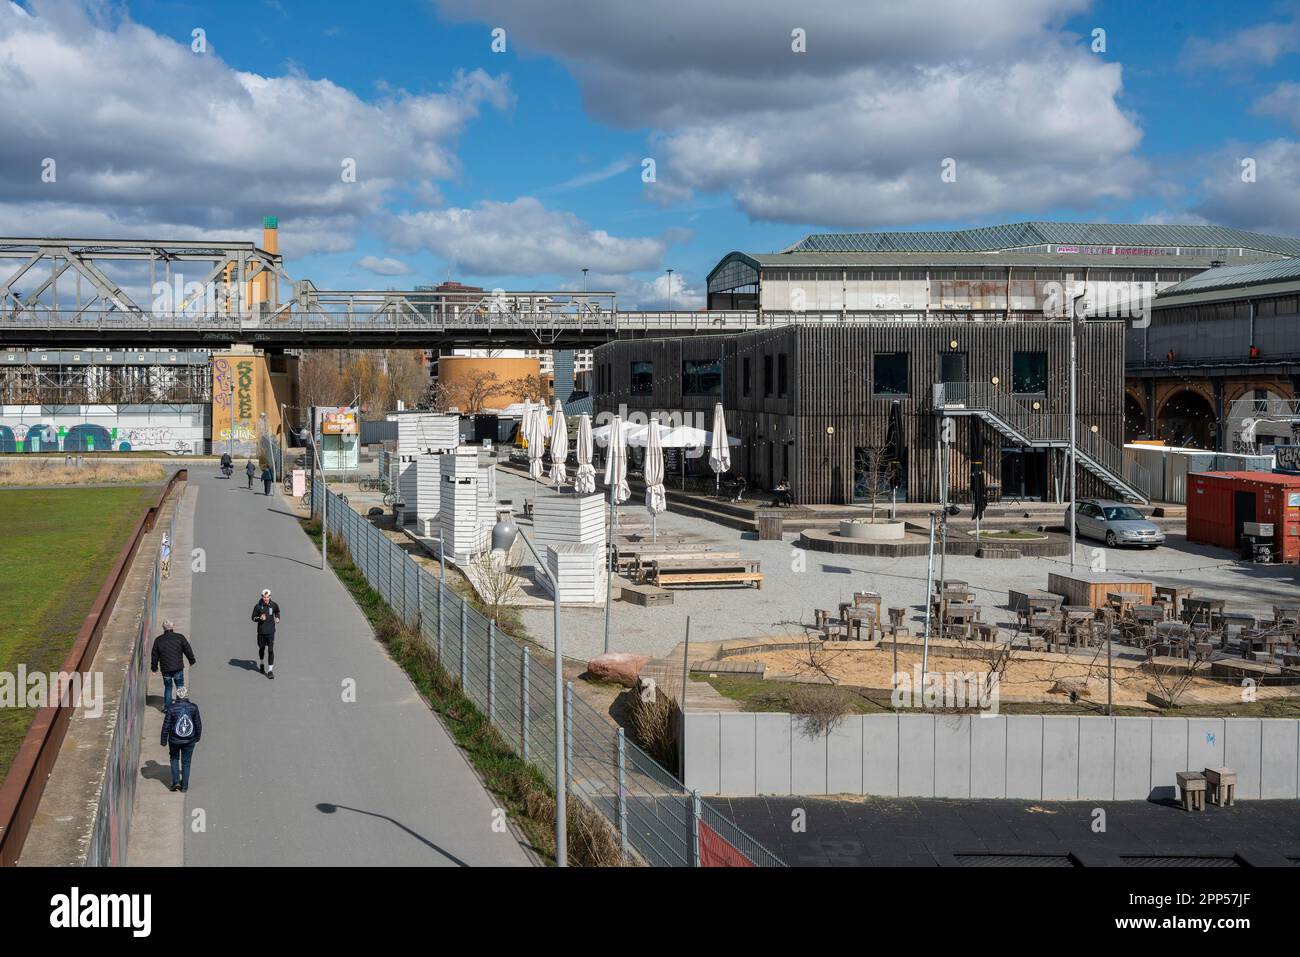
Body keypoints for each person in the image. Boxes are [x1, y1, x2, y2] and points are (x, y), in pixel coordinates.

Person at [160, 686, 201, 792]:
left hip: (174, 739)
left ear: (177, 696)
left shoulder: (171, 708)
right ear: (187, 696)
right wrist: (197, 737)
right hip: (190, 740)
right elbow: (197, 724)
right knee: (186, 763)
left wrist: (163, 740)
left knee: (174, 759)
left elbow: (166, 725)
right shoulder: (193, 707)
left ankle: (176, 782)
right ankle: (184, 786)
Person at [150, 619, 195, 709]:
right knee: (180, 686)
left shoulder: (158, 640)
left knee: (168, 687)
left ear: (163, 628)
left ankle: (168, 708)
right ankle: (181, 705)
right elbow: (187, 649)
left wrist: (154, 668)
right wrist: (191, 660)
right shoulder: (180, 637)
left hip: (166, 668)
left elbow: (154, 655)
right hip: (178, 667)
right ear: (172, 627)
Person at [251, 588, 281, 678]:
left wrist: (277, 617)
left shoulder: (274, 605)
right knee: (262, 649)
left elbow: (277, 611)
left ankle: (270, 670)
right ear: (262, 597)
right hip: (261, 632)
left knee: (271, 650)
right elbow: (253, 618)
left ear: (270, 597)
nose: (266, 599)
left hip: (271, 632)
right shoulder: (258, 606)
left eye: (267, 597)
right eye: (264, 597)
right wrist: (260, 618)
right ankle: (261, 663)